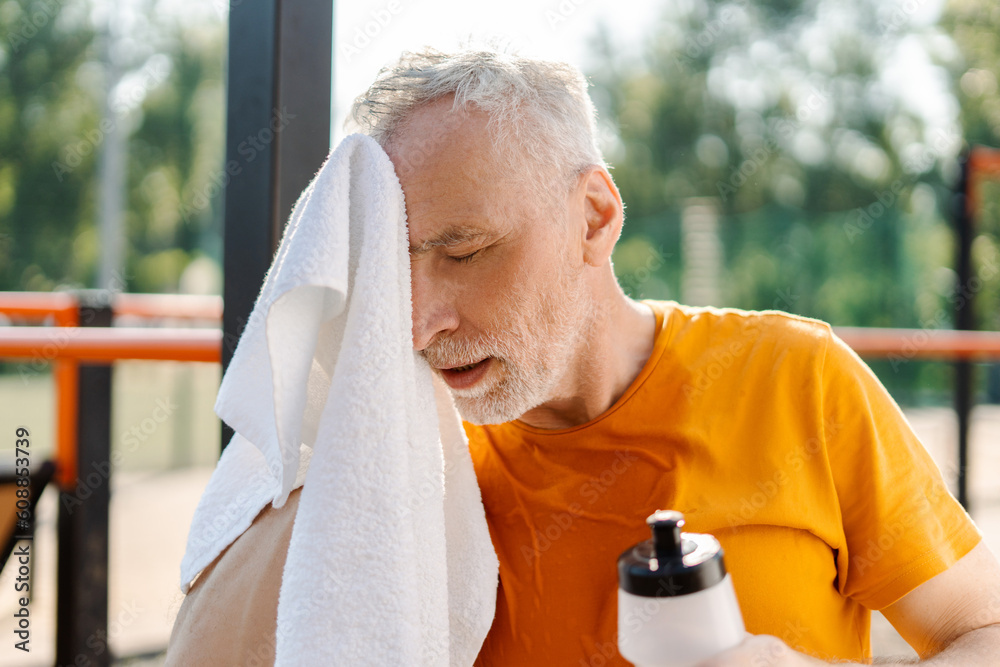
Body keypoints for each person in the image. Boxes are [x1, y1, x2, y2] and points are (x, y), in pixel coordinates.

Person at [168, 48, 1000, 666]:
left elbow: (981, 628)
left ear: (595, 217)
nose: (420, 322)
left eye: (463, 250)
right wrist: (320, 452)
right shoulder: (398, 461)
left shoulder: (795, 381)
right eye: (393, 270)